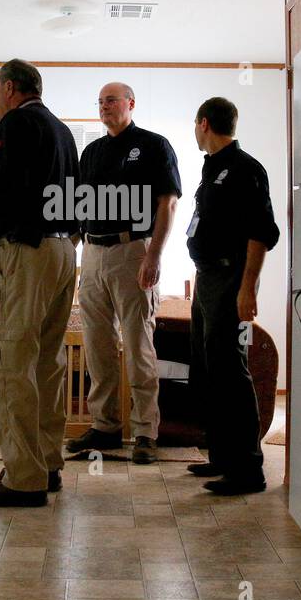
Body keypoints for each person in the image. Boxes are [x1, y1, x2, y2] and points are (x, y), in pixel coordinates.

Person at [0, 59, 79, 506]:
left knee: (10, 365)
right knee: (47, 362)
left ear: (10, 88)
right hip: (62, 251)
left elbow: (2, 195)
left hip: (23, 252)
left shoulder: (14, 122)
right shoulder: (63, 132)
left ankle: (22, 479)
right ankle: (47, 464)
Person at [66, 82, 181, 465]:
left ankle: (146, 432)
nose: (104, 107)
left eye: (111, 100)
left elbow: (168, 203)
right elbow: (78, 203)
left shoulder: (153, 145)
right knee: (96, 346)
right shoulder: (92, 151)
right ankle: (105, 426)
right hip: (93, 253)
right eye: (99, 102)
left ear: (131, 103)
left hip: (134, 250)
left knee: (137, 345)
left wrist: (155, 255)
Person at [185, 97, 279, 495]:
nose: (194, 130)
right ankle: (221, 458)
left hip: (230, 278)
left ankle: (248, 471)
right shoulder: (213, 170)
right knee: (209, 368)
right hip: (207, 277)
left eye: (195, 124)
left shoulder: (245, 169)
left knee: (230, 371)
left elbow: (261, 232)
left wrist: (248, 287)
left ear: (204, 123)